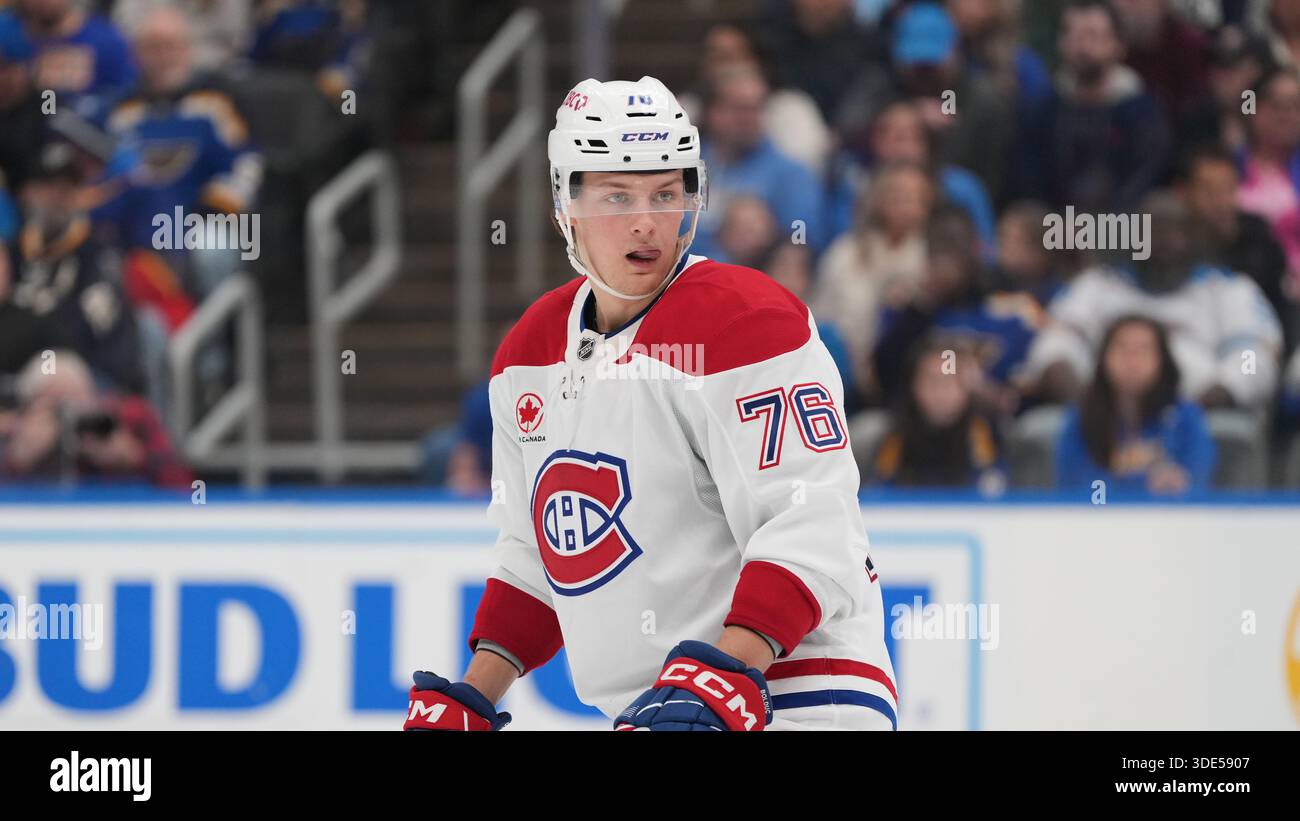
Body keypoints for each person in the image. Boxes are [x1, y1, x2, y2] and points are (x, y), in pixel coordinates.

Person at [403, 76, 897, 732]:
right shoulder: (530, 353)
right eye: (617, 195)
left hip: (798, 694)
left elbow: (813, 524)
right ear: (565, 203)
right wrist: (473, 695)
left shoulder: (745, 320)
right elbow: (537, 554)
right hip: (664, 708)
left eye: (666, 193)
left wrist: (725, 671)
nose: (646, 221)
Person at [1022, 191, 1283, 410]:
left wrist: (1226, 388)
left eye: (1174, 231)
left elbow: (1252, 356)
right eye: (1152, 230)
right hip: (1102, 421)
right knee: (1044, 428)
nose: (1163, 241)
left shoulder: (1230, 289)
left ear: (1193, 237)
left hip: (1202, 417)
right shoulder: (1098, 285)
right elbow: (1058, 339)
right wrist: (1077, 394)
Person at [1056, 315, 1216, 496]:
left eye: (1143, 350)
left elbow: (1198, 480)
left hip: (1171, 518)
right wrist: (1142, 483)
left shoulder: (1187, 417)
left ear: (1162, 359)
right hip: (1099, 519)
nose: (1132, 361)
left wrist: (1178, 485)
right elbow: (1074, 486)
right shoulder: (1081, 417)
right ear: (1103, 357)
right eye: (1122, 349)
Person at [872, 339, 1003, 488]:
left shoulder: (982, 430)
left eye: (948, 382)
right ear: (913, 386)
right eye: (931, 381)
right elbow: (882, 487)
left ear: (966, 388)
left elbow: (992, 485)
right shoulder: (897, 434)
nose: (940, 392)